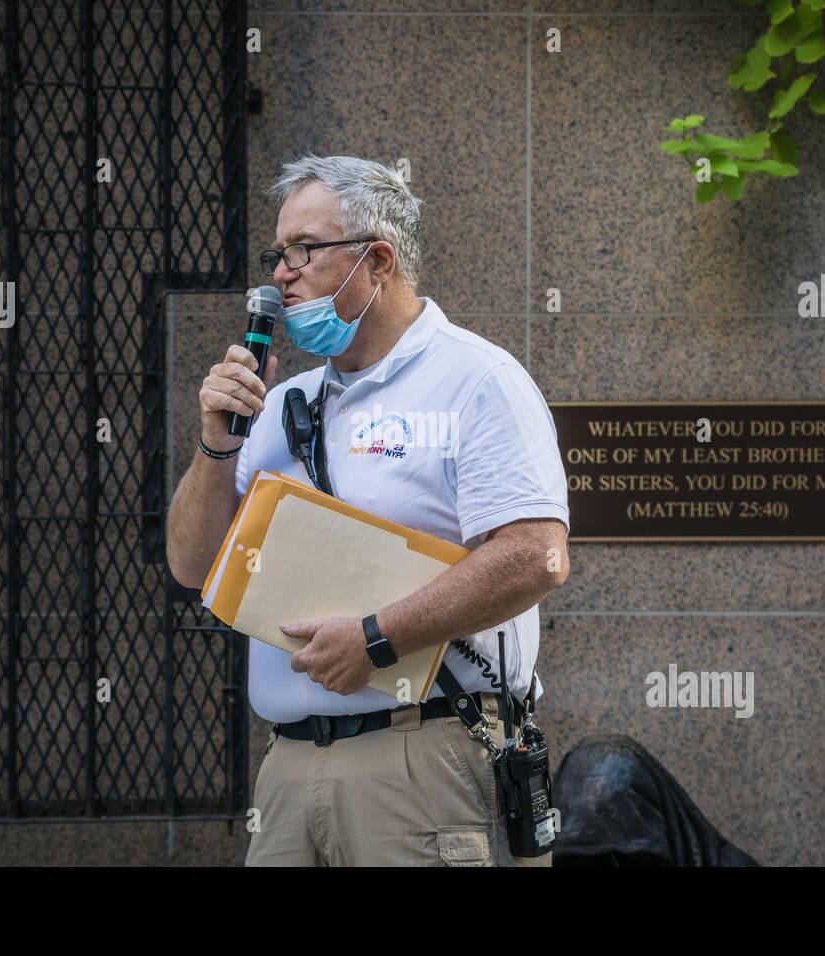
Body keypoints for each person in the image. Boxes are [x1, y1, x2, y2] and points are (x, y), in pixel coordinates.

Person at [167, 153, 570, 866]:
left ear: (378, 260)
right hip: (290, 768)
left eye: (305, 251)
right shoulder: (280, 403)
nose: (281, 274)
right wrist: (216, 442)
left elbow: (535, 556)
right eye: (278, 253)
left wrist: (377, 639)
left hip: (421, 760)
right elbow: (194, 565)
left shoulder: (476, 381)